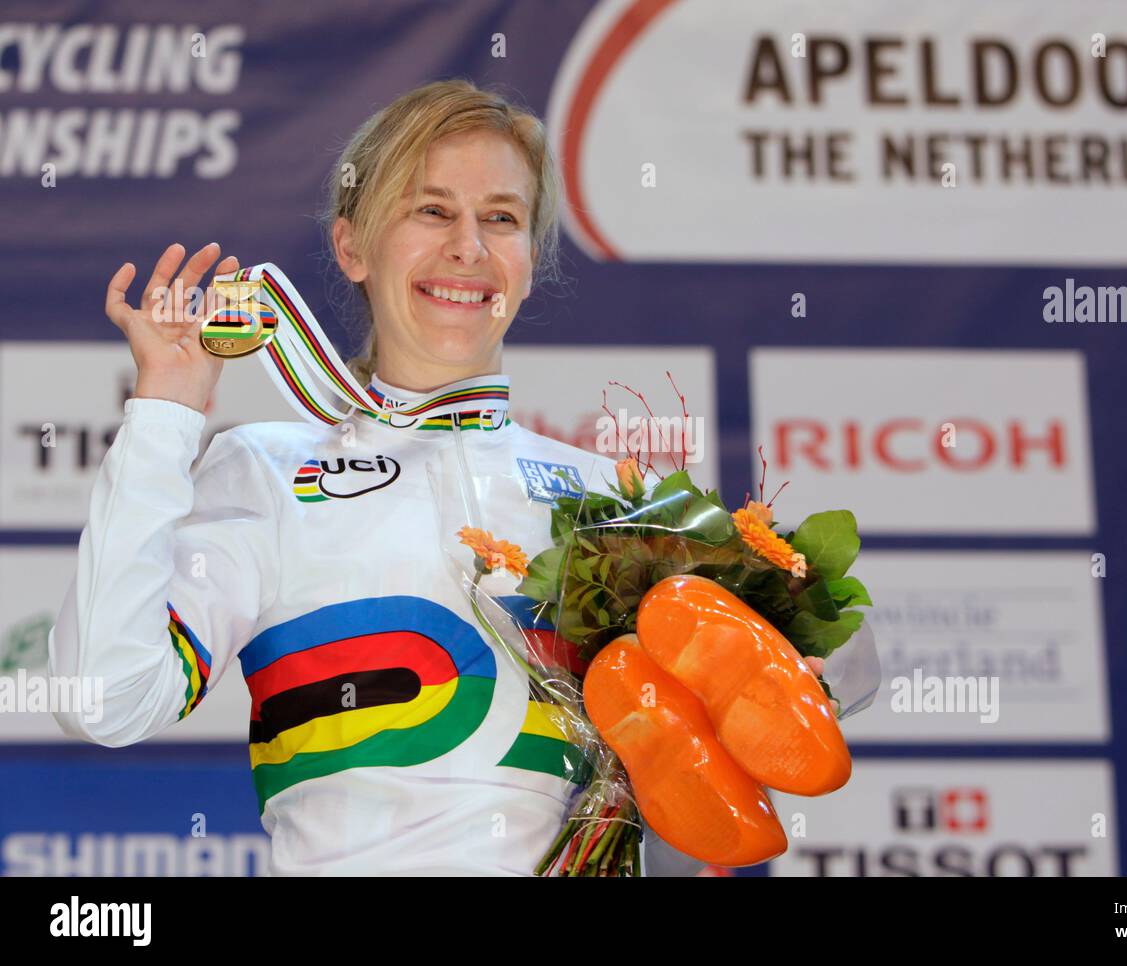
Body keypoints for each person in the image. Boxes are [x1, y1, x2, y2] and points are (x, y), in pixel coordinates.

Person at [48, 78, 705, 877]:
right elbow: (105, 703)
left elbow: (835, 677)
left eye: (501, 218)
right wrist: (162, 417)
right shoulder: (267, 472)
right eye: (431, 211)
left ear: (529, 263)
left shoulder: (610, 496)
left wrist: (773, 656)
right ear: (350, 246)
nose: (468, 246)